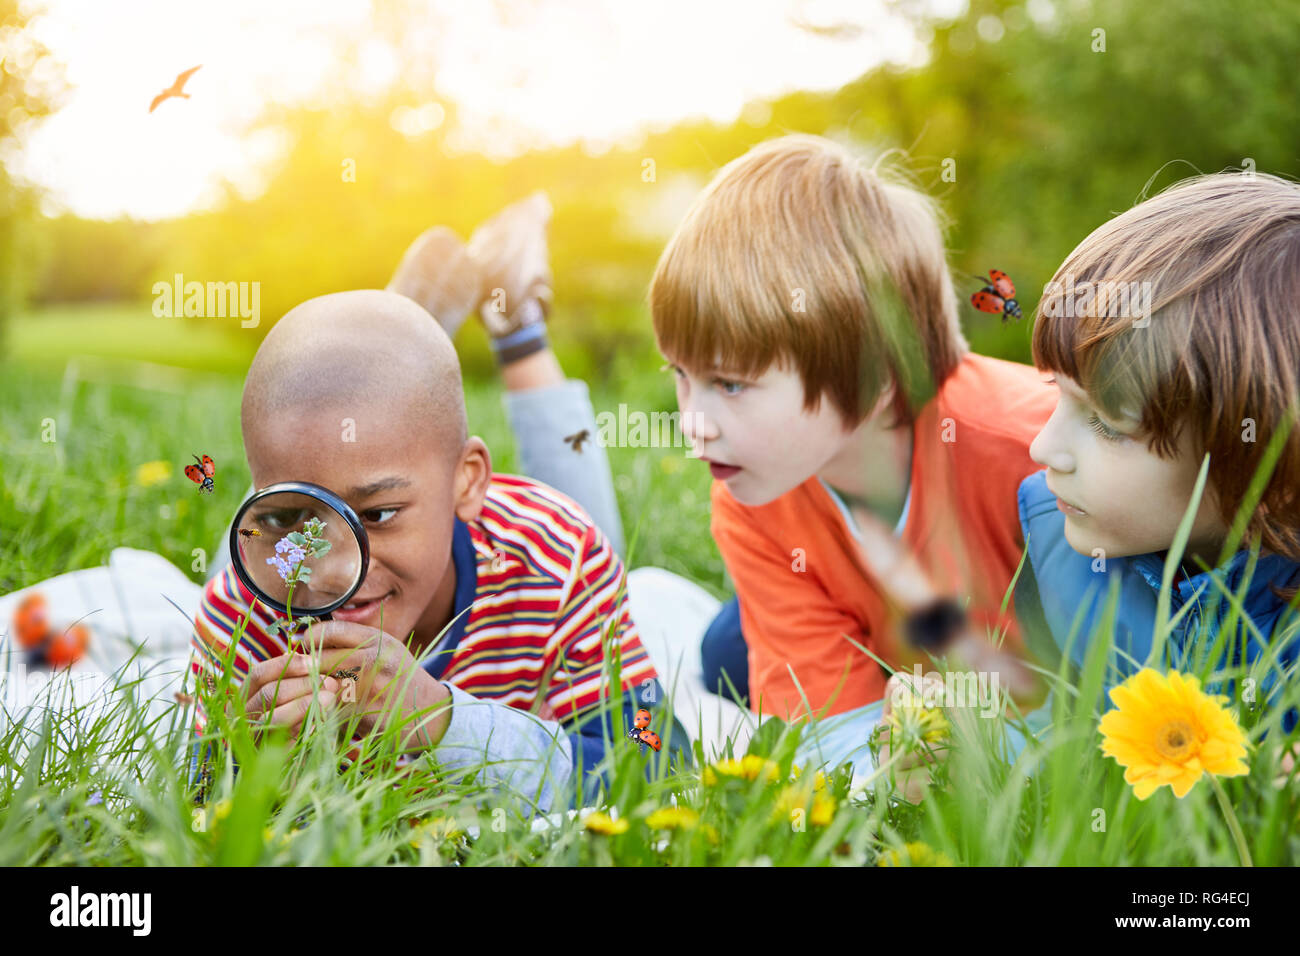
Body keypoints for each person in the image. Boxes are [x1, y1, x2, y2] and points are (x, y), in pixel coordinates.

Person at [189, 282, 681, 816]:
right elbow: (195, 791)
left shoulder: (561, 560)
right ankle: (387, 320)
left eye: (377, 515)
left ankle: (507, 321)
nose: (331, 571)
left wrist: (440, 719)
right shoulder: (243, 607)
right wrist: (249, 765)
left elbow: (653, 759)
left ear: (466, 483)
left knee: (599, 526)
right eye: (287, 517)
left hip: (530, 536)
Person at [647, 133, 1057, 733]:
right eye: (680, 375)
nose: (693, 424)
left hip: (986, 660)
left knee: (728, 650)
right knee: (724, 657)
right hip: (884, 632)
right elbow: (833, 746)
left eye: (730, 384)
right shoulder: (749, 489)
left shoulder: (1040, 453)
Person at [1014, 171, 1300, 736]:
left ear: (1271, 472)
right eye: (1057, 396)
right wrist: (963, 751)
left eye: (1106, 422)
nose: (1042, 447)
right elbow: (1069, 740)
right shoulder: (1064, 552)